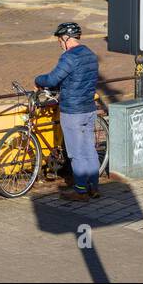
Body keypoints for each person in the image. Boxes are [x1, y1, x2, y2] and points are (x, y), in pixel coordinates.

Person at [35, 22, 100, 201]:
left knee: (76, 152)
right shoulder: (91, 55)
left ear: (65, 38)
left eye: (59, 40)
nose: (59, 43)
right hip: (89, 109)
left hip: (73, 111)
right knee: (89, 149)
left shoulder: (69, 58)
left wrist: (38, 79)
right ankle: (93, 187)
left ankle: (80, 191)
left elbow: (52, 78)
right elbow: (76, 78)